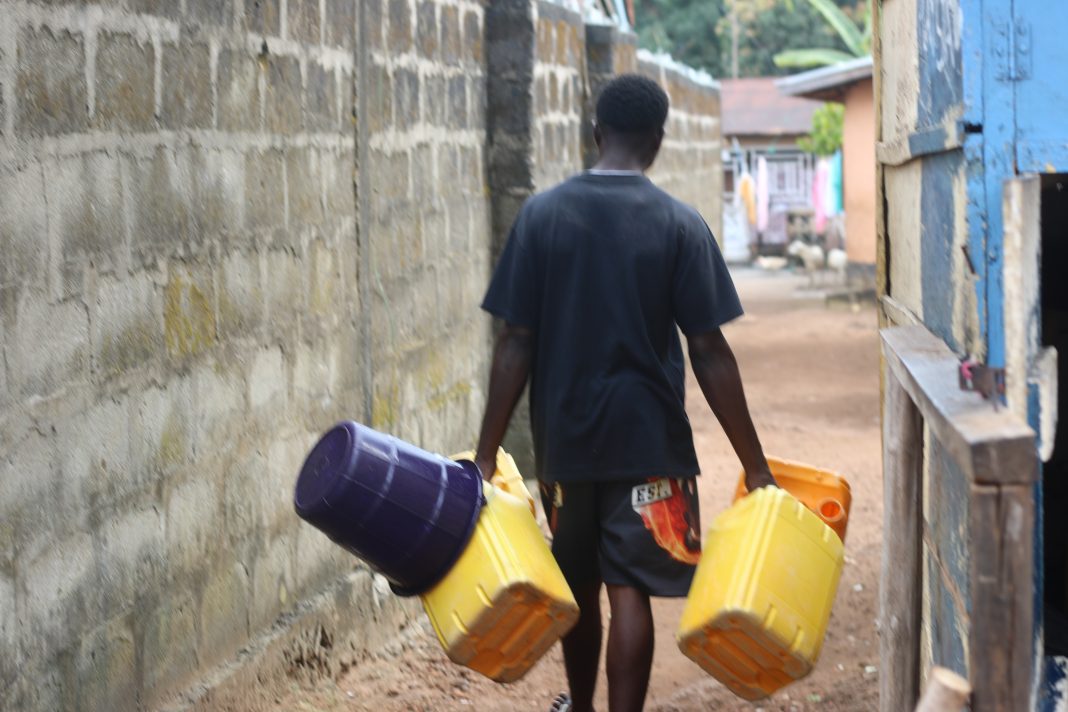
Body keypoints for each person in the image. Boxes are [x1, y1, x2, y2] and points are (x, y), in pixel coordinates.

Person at [472, 74, 776, 712]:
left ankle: (579, 708)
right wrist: (755, 466)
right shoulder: (679, 224)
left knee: (576, 582)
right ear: (659, 142)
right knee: (629, 586)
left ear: (595, 132)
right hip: (651, 441)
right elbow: (710, 351)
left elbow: (514, 343)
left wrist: (483, 457)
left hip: (566, 440)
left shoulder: (541, 216)